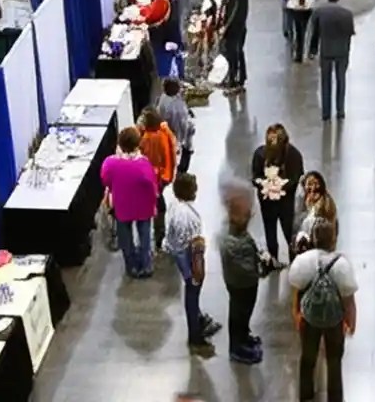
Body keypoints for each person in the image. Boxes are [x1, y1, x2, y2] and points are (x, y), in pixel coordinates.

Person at [289, 222, 357, 402]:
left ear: (314, 238)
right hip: (334, 320)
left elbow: (296, 290)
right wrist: (351, 321)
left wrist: (296, 313)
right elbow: (348, 299)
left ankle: (305, 395)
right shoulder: (342, 265)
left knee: (307, 358)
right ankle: (335, 397)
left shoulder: (303, 261)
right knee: (334, 361)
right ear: (334, 239)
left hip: (310, 319)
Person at [162, 173, 221, 352]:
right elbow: (194, 245)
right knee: (193, 290)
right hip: (187, 255)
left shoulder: (174, 206)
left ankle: (198, 317)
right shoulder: (189, 216)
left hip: (177, 250)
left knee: (192, 290)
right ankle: (195, 333)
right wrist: (196, 270)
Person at [101, 127, 159, 278]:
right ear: (137, 143)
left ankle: (131, 267)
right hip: (144, 207)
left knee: (125, 238)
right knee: (144, 236)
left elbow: (105, 180)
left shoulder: (111, 164)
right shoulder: (144, 164)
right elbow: (153, 185)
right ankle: (146, 265)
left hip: (122, 206)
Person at [219, 187, 264, 364]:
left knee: (245, 313)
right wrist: (258, 269)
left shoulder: (240, 233)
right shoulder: (231, 241)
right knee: (238, 313)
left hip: (247, 282)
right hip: (240, 284)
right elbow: (241, 266)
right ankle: (236, 347)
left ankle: (244, 335)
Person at [252, 123, 305, 268]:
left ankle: (295, 261)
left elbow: (298, 177)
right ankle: (273, 260)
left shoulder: (293, 155)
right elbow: (255, 176)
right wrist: (264, 185)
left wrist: (282, 185)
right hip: (267, 201)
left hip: (285, 202)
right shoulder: (260, 154)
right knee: (270, 231)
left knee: (289, 231)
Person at [308, 0, 355, 121]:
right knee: (341, 81)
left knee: (325, 82)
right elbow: (349, 35)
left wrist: (313, 50)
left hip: (326, 50)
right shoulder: (347, 14)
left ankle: (326, 113)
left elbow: (315, 34)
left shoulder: (319, 12)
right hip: (342, 51)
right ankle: (340, 111)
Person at [138, 106, 178, 251]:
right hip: (164, 175)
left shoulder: (149, 138)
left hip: (153, 178)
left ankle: (157, 236)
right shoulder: (163, 133)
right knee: (160, 204)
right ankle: (160, 234)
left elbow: (145, 158)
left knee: (152, 206)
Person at [156, 77, 195, 174]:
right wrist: (188, 132)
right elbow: (180, 124)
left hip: (176, 135)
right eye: (177, 86)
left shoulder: (166, 97)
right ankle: (180, 174)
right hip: (177, 138)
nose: (180, 88)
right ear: (171, 88)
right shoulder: (171, 107)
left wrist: (188, 111)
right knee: (181, 160)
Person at [220, 0, 249, 92]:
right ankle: (241, 77)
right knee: (239, 52)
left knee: (232, 54)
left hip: (233, 29)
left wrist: (224, 27)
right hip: (241, 27)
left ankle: (233, 79)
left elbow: (232, 12)